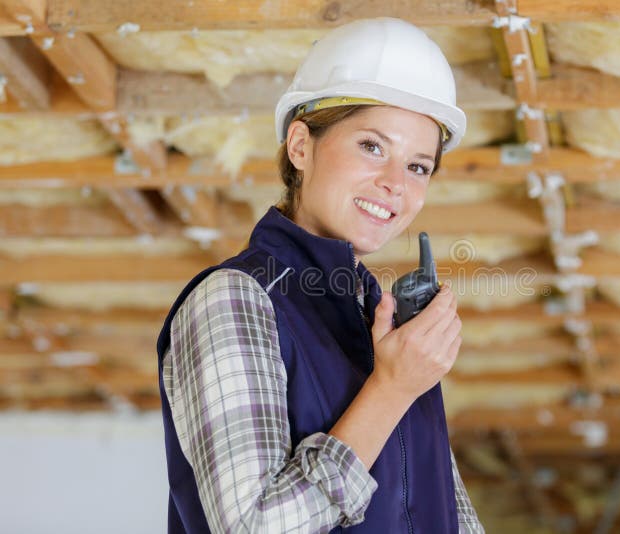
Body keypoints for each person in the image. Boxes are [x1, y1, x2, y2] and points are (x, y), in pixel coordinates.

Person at [156, 17, 484, 533]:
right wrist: (392, 390)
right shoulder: (234, 300)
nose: (395, 183)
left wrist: (401, 379)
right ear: (300, 146)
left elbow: (447, 513)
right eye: (372, 146)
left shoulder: (388, 329)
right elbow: (252, 528)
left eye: (419, 166)